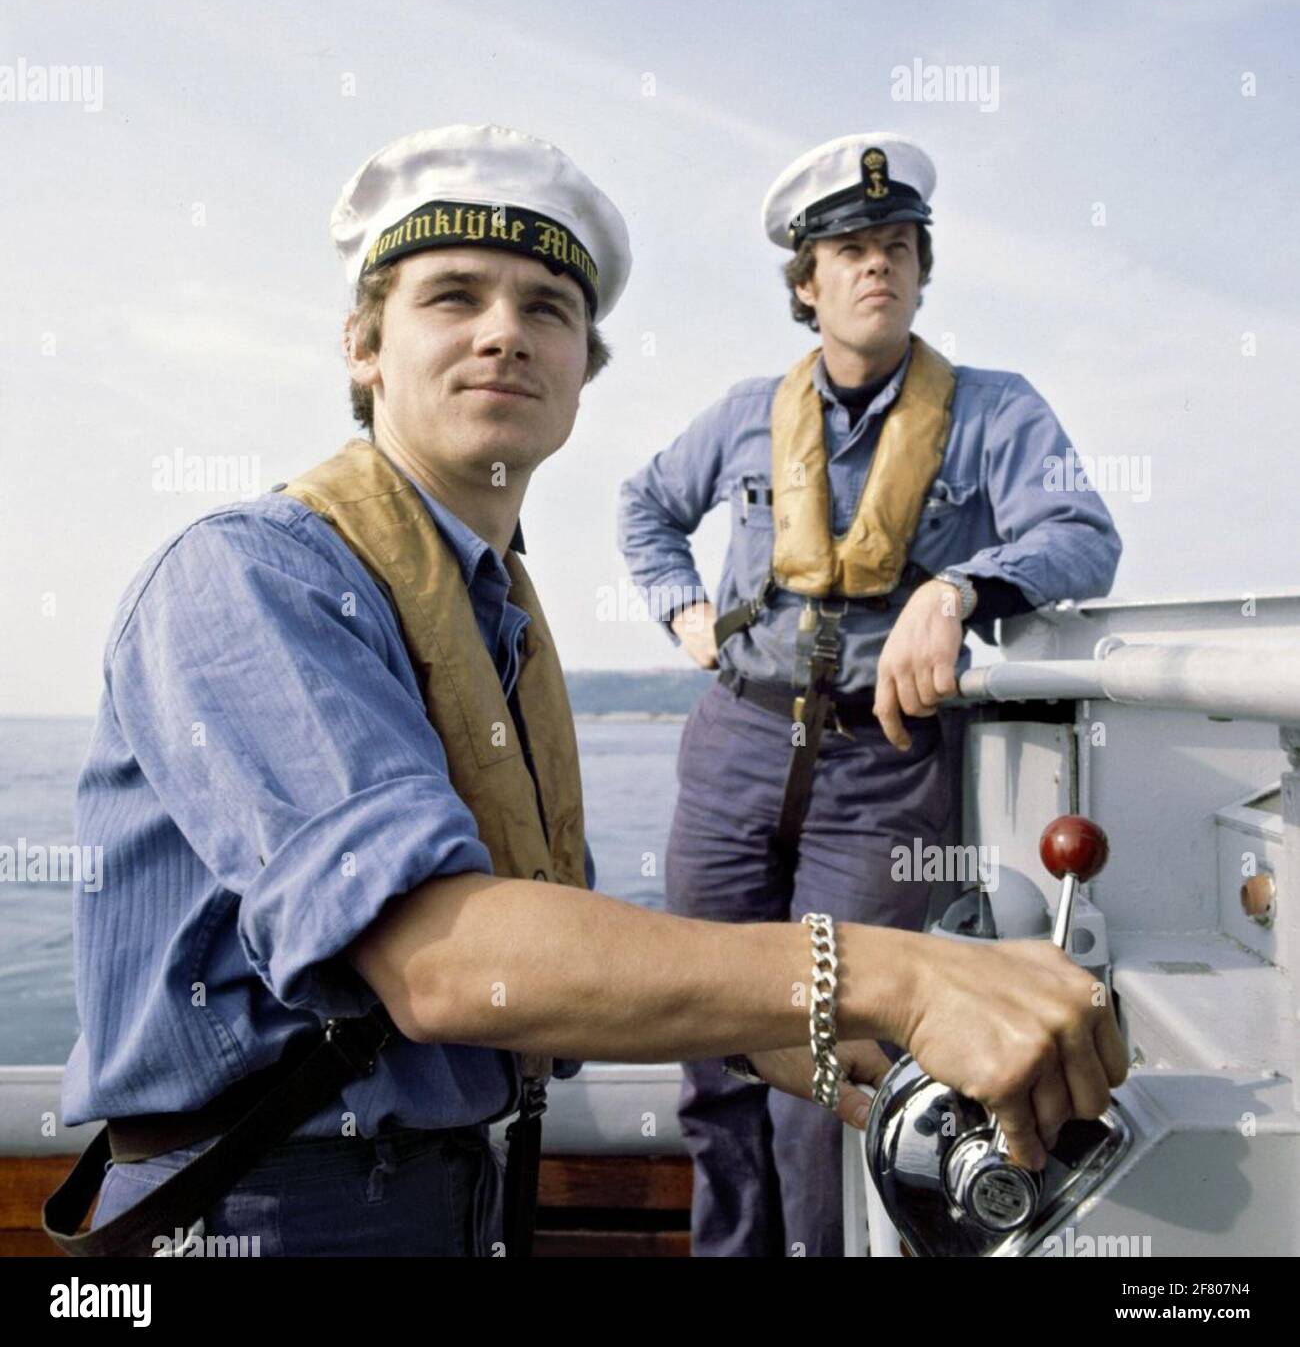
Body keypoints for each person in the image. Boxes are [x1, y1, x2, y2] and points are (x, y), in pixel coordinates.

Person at [47, 125, 1127, 1259]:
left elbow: (1078, 531)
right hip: (265, 1211)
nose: (505, 333)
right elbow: (446, 964)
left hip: (463, 1189)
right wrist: (895, 975)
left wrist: (784, 1026)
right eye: (453, 298)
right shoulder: (252, 576)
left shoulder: (489, 619)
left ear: (581, 375)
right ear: (363, 348)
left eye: (548, 309)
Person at [617, 132, 1124, 1256]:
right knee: (707, 1037)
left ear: (921, 270)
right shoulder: (746, 412)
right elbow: (643, 505)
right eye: (848, 250)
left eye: (897, 246)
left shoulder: (995, 410)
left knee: (831, 1047)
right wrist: (678, 608)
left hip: (881, 766)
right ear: (806, 284)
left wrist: (960, 584)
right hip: (734, 746)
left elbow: (1085, 535)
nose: (875, 266)